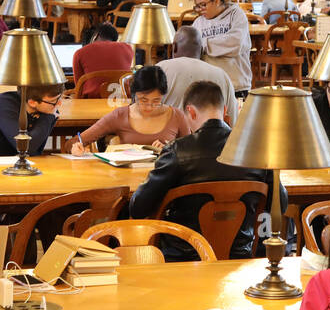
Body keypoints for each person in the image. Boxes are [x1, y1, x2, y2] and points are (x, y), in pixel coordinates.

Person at [129, 82, 278, 261]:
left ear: (190, 112)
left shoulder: (177, 151)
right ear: (224, 111)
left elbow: (138, 208)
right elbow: (279, 204)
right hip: (238, 257)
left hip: (183, 258)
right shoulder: (256, 150)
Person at [70, 65, 191, 153]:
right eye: (143, 100)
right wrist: (77, 147)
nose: (149, 107)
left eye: (156, 101)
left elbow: (191, 152)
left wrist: (170, 149)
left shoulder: (177, 116)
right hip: (127, 180)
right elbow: (74, 142)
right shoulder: (120, 116)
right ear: (134, 94)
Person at [157, 26, 239, 124]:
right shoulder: (222, 75)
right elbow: (233, 121)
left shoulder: (161, 69)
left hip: (168, 138)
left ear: (174, 47)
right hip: (212, 138)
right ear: (201, 50)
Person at [0, 84, 63, 157]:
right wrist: (48, 117)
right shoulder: (3, 104)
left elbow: (36, 152)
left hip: (12, 166)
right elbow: (26, 148)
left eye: (59, 98)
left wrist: (49, 114)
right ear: (32, 102)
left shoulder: (45, 110)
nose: (59, 104)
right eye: (53, 102)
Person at [191, 0, 252, 94]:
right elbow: (192, 49)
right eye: (197, 6)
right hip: (208, 86)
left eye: (203, 5)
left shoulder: (236, 15)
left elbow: (235, 44)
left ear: (217, 1)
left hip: (236, 85)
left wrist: (203, 45)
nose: (200, 9)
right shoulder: (198, 23)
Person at [71, 23, 134, 97]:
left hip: (91, 102)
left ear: (95, 36)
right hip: (122, 99)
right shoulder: (128, 49)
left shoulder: (80, 52)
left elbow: (78, 86)